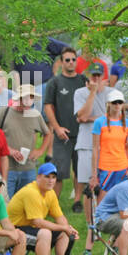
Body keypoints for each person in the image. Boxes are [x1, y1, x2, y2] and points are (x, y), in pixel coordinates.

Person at [8, 163, 78, 255]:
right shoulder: (31, 192)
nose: (51, 181)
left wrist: (68, 229)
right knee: (45, 233)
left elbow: (59, 217)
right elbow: (38, 222)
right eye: (47, 177)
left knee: (63, 234)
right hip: (14, 229)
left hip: (30, 228)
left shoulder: (50, 193)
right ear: (38, 177)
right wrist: (63, 227)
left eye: (53, 177)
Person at [41, 47, 85, 196]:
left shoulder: (83, 80)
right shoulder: (55, 82)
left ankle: (78, 201)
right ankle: (53, 203)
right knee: (58, 172)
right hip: (62, 135)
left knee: (80, 171)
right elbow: (47, 107)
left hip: (82, 134)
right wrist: (57, 128)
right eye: (67, 60)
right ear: (61, 62)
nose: (71, 62)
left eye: (73, 59)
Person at [0, 84, 49, 196]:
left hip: (29, 168)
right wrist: (9, 150)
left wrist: (40, 151)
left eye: (31, 97)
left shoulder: (35, 115)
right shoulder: (4, 112)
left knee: (27, 203)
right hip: (7, 168)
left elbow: (47, 134)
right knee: (6, 203)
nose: (29, 101)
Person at [72, 62, 109, 212]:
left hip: (106, 144)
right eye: (93, 75)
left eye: (98, 75)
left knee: (106, 183)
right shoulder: (80, 93)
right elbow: (83, 115)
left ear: (103, 77)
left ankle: (103, 212)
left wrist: (91, 118)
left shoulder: (111, 93)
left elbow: (114, 116)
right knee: (89, 183)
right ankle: (90, 219)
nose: (96, 78)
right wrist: (92, 93)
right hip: (86, 142)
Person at [91, 89, 128, 199]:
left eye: (120, 102)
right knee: (103, 201)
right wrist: (94, 174)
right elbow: (95, 148)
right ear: (108, 104)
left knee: (122, 201)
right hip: (106, 167)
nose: (117, 105)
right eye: (114, 102)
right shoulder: (99, 122)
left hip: (123, 166)